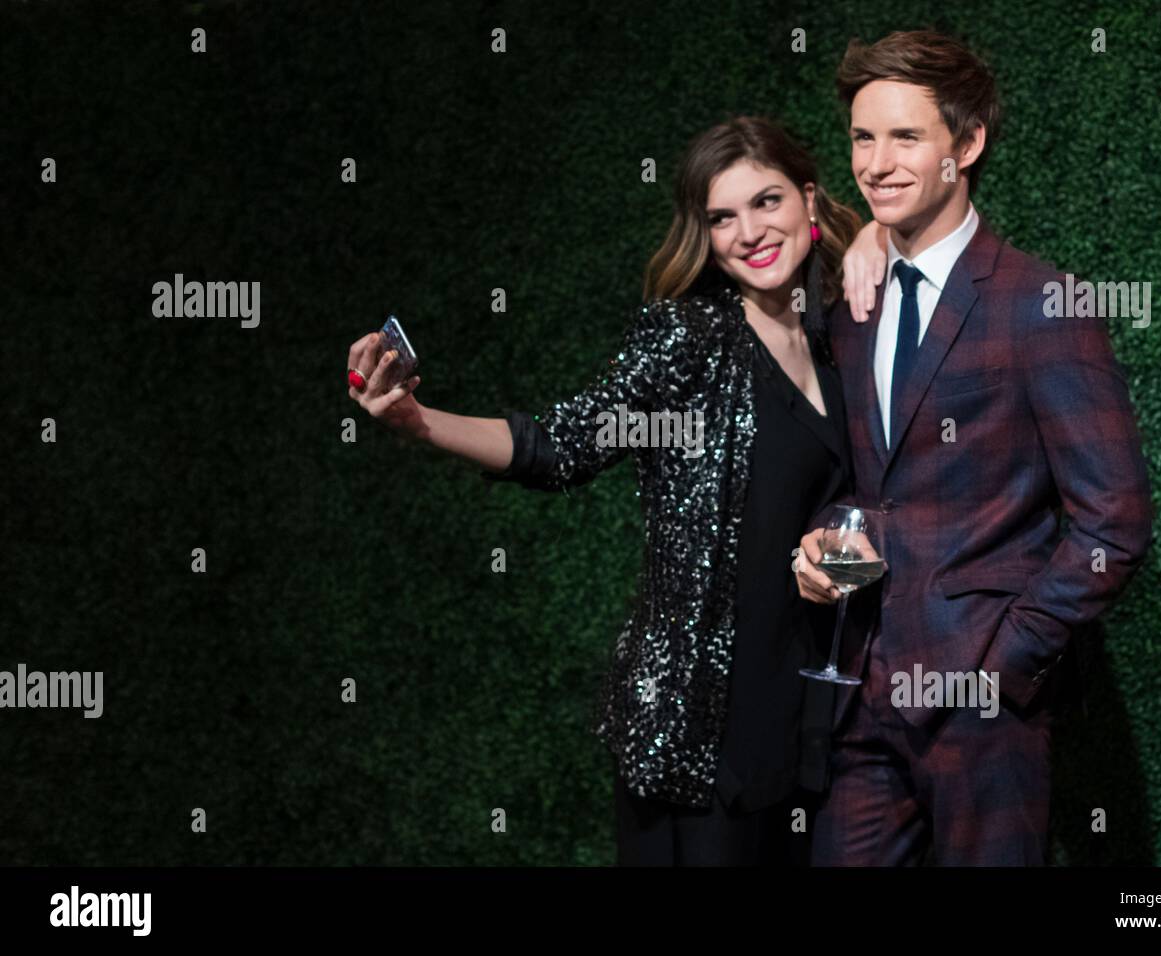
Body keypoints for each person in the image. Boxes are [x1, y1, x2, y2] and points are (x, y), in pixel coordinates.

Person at [344, 116, 888, 865]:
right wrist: (417, 421)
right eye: (721, 217)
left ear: (806, 197)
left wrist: (874, 239)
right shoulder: (690, 338)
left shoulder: (839, 340)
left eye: (766, 202)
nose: (750, 231)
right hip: (699, 729)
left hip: (803, 715)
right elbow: (563, 443)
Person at [794, 31, 1155, 865]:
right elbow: (876, 486)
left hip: (984, 714)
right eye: (861, 137)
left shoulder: (1042, 304)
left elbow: (1116, 522)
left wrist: (1003, 661)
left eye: (906, 136)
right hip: (860, 695)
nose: (876, 163)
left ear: (968, 143)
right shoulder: (856, 300)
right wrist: (832, 546)